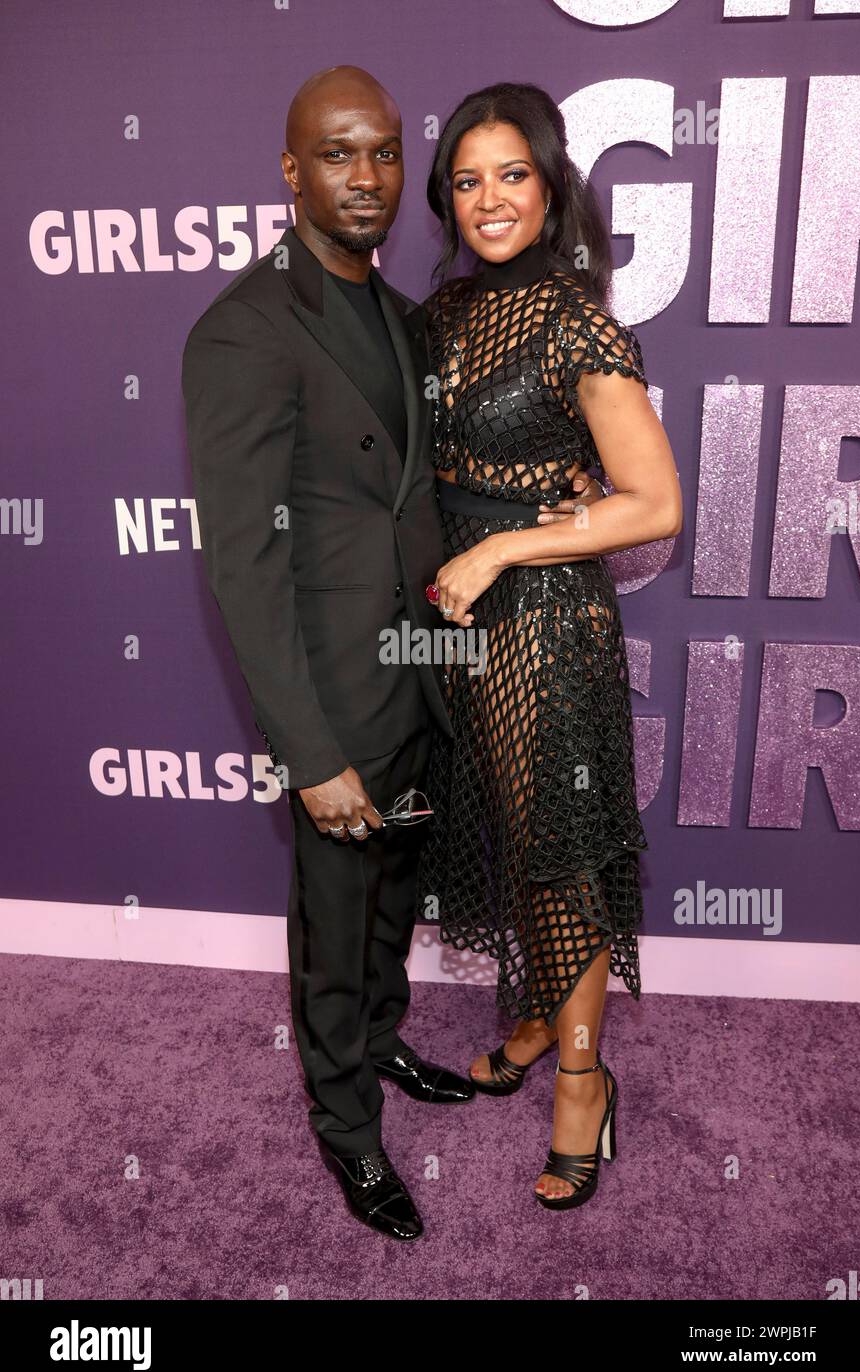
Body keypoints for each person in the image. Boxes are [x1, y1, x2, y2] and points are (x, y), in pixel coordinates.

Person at [181, 67, 493, 1244]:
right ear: (290, 169)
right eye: (337, 154)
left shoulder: (404, 315)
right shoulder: (244, 327)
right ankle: (347, 1129)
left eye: (383, 155)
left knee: (394, 902)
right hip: (334, 701)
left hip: (419, 672)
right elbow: (245, 567)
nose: (365, 178)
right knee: (332, 919)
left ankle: (381, 1037)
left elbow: (419, 493)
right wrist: (306, 752)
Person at [417, 82, 682, 1210]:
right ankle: (536, 1011)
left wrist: (506, 546)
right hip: (456, 620)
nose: (489, 200)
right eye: (467, 181)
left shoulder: (577, 318)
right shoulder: (438, 318)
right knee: (496, 826)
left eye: (510, 175)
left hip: (540, 621)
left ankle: (582, 1077)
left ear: (550, 184)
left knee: (556, 847)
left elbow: (655, 502)